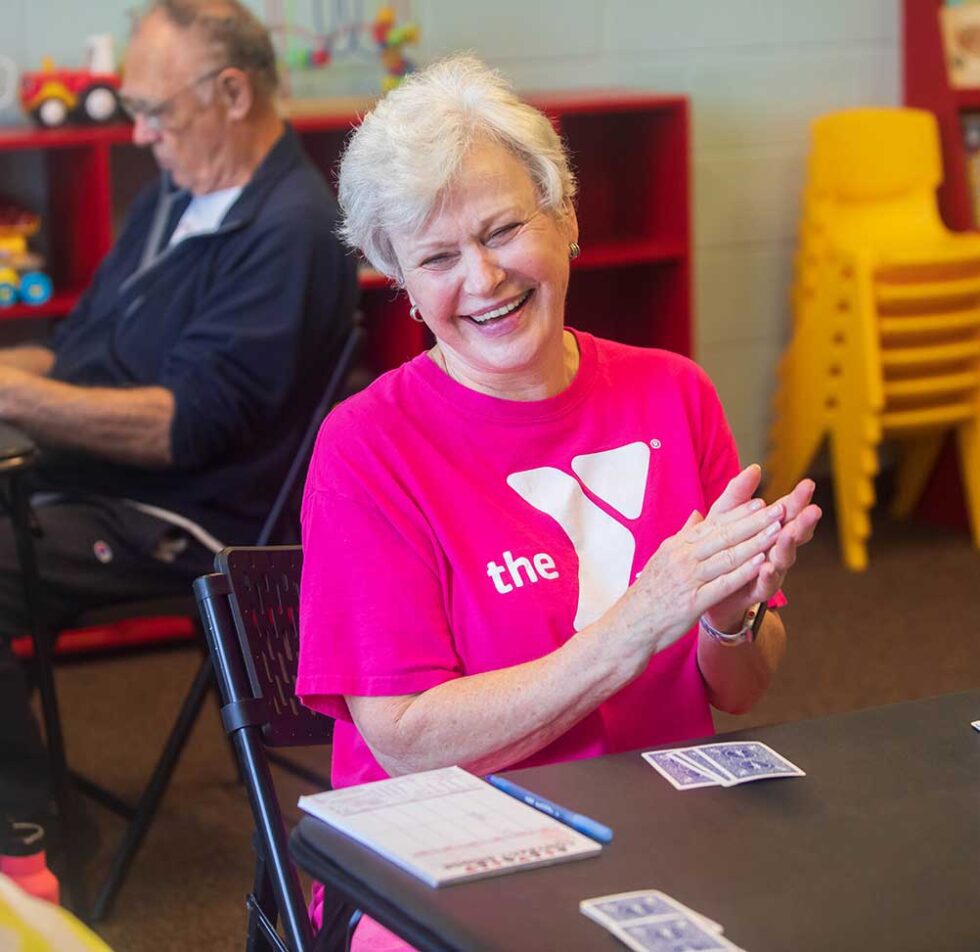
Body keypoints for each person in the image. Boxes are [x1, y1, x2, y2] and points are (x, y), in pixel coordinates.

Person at [297, 54, 819, 948]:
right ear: (404, 282)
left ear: (566, 216)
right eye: (437, 257)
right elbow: (410, 742)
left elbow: (739, 687)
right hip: (452, 846)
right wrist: (641, 621)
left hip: (664, 820)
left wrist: (726, 620)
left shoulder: (674, 394)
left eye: (503, 229)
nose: (484, 279)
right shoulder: (367, 447)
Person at [0, 0, 357, 834]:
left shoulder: (291, 230)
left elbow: (181, 427)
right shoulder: (176, 195)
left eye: (154, 112)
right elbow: (77, 352)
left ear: (233, 92)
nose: (138, 136)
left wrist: (10, 394)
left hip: (179, 516)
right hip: (87, 480)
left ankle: (23, 836)